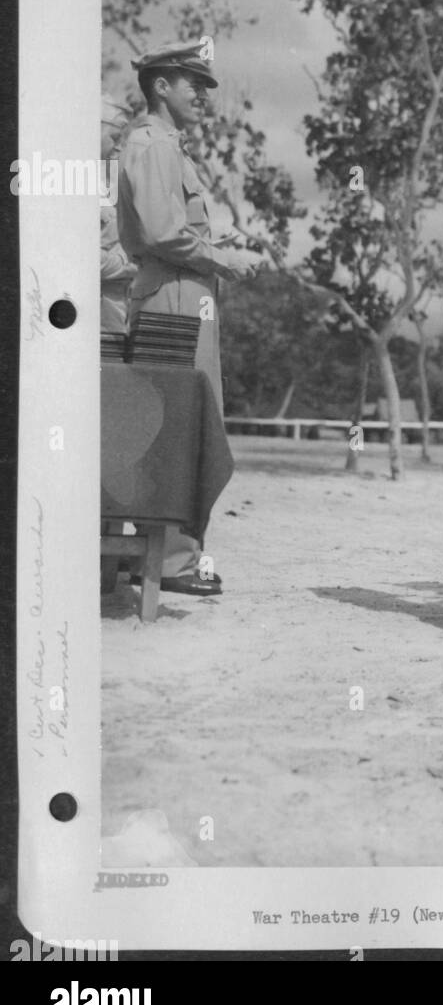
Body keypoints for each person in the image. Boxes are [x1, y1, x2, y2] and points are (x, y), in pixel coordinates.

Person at [116, 42, 262, 594]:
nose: (203, 95)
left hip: (184, 288)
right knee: (179, 426)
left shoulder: (169, 148)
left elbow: (175, 228)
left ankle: (172, 551)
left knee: (188, 424)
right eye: (192, 84)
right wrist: (227, 258)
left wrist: (217, 242)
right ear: (160, 86)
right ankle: (171, 560)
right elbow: (160, 235)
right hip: (174, 292)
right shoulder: (152, 147)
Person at [99, 93, 136, 336]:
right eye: (115, 137)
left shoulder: (103, 184)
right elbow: (82, 261)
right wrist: (130, 265)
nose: (120, 146)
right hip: (94, 327)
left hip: (115, 321)